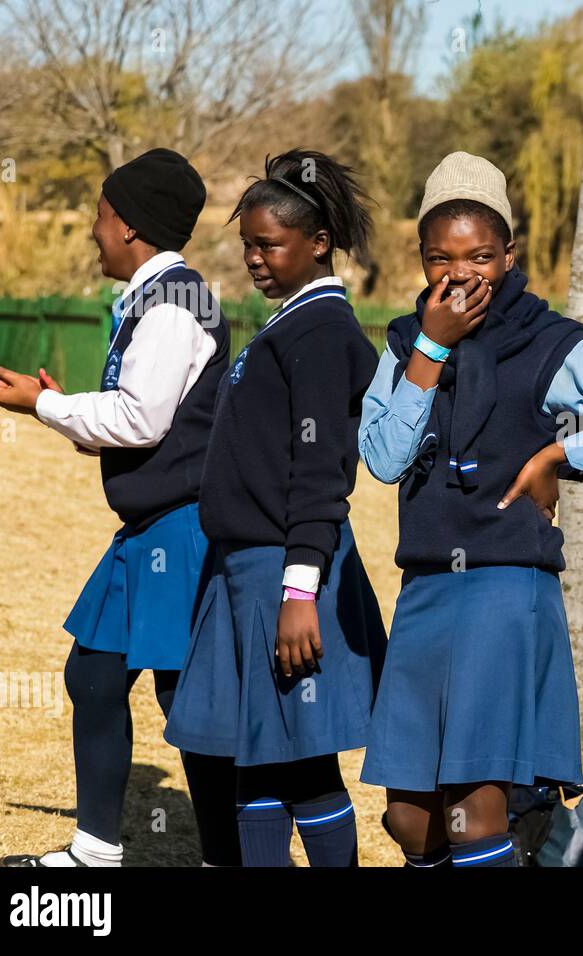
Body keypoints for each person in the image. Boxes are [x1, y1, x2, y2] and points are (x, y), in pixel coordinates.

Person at [358, 151, 583, 867]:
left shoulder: (546, 343)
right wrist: (431, 350)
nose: (461, 274)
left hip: (505, 590)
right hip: (426, 589)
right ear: (422, 258)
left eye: (481, 256)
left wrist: (560, 458)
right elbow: (381, 459)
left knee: (474, 811)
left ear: (509, 254)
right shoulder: (407, 342)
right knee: (410, 820)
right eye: (441, 257)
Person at [0, 148, 239, 867]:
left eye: (99, 218)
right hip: (151, 527)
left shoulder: (176, 302)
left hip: (179, 530)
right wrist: (72, 419)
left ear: (129, 227)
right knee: (94, 675)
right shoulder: (160, 299)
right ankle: (97, 849)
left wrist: (46, 405)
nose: (92, 232)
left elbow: (142, 418)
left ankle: (227, 854)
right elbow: (149, 418)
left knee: (186, 703)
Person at [163, 149, 386, 867]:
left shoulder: (321, 332)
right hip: (242, 573)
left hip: (284, 575)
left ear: (317, 243)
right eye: (247, 245)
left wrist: (299, 593)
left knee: (303, 764)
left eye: (269, 244)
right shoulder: (287, 325)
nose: (254, 259)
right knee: (256, 763)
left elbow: (322, 472)